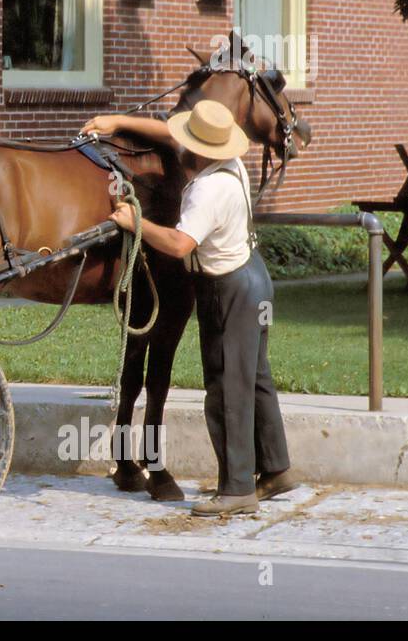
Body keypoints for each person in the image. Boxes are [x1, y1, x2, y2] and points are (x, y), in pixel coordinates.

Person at [82, 100, 299, 517]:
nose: (177, 143)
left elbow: (181, 245)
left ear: (197, 150)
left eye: (186, 140)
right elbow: (170, 134)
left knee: (226, 388)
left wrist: (135, 224)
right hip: (255, 276)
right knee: (255, 379)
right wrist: (119, 121)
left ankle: (237, 490)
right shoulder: (233, 163)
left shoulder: (204, 191)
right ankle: (275, 469)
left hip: (227, 289)